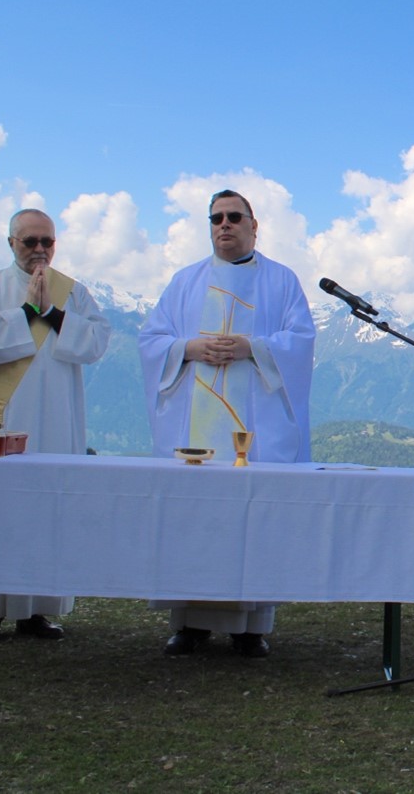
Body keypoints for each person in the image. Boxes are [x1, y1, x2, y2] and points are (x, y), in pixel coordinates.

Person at [138, 189, 315, 657]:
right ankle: (188, 622)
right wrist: (188, 349)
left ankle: (250, 625)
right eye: (216, 218)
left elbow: (300, 340)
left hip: (254, 431)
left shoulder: (281, 280)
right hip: (196, 427)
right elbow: (152, 339)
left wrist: (252, 348)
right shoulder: (185, 281)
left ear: (255, 225)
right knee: (193, 519)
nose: (224, 225)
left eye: (234, 217)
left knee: (250, 519)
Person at [0, 208, 112, 643]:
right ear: (11, 243)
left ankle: (37, 613)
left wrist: (55, 314)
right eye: (30, 242)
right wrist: (28, 311)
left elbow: (97, 340)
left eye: (48, 242)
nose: (40, 250)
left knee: (47, 513)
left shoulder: (74, 292)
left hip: (57, 422)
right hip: (1, 418)